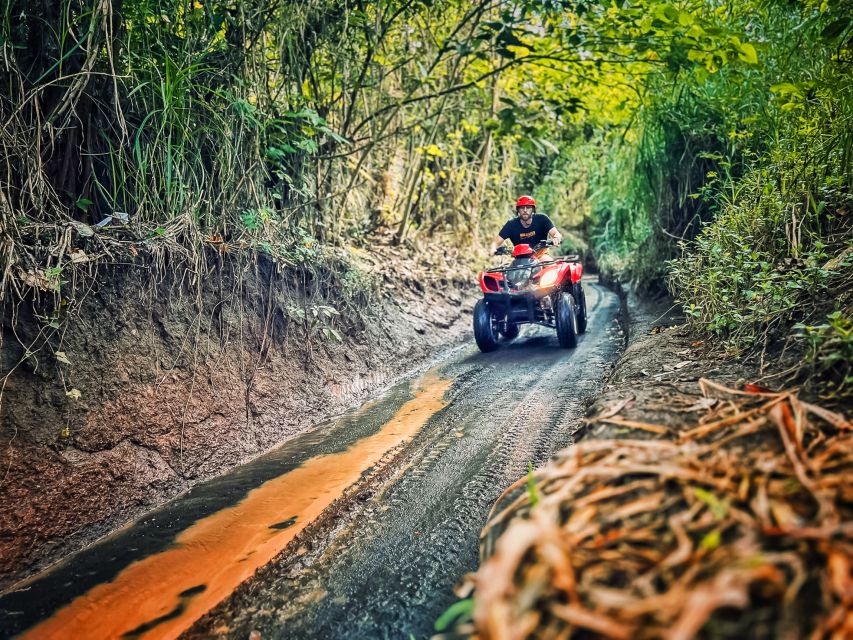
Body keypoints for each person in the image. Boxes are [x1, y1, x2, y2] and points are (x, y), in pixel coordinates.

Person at [490, 195, 562, 259]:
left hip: (541, 256)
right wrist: (493, 248)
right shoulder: (511, 224)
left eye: (528, 207)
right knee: (507, 272)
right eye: (522, 208)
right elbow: (496, 242)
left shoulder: (542, 219)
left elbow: (556, 233)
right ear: (518, 210)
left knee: (548, 265)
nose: (525, 210)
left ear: (533, 209)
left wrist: (556, 238)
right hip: (520, 260)